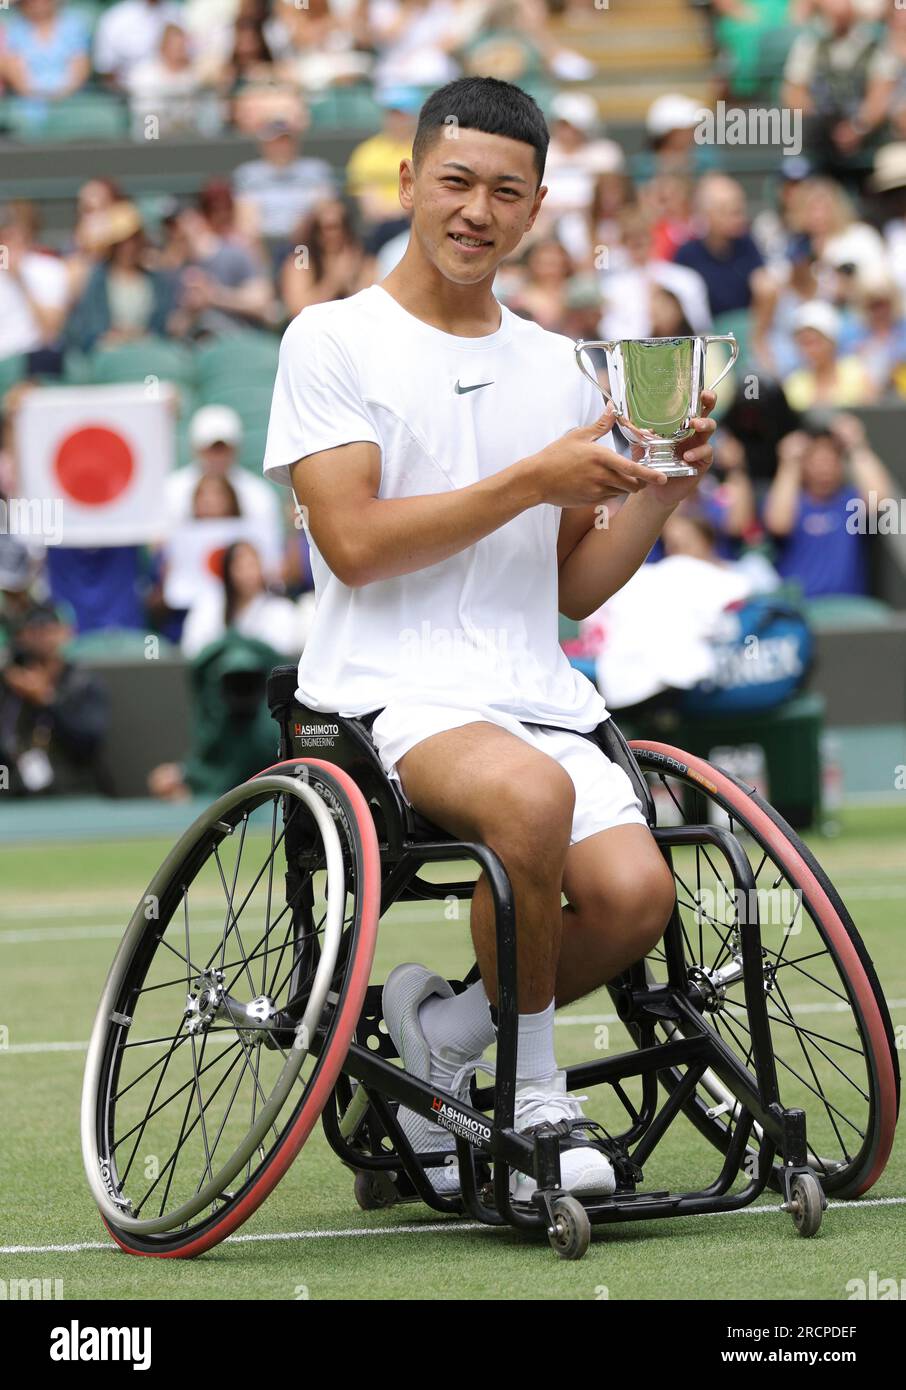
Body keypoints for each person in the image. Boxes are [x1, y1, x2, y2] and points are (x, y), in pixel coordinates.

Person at [262, 75, 717, 1202]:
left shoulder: (564, 364)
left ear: (536, 206)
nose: (477, 210)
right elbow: (356, 544)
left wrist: (657, 491)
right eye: (455, 181)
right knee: (529, 803)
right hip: (390, 688)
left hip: (535, 688)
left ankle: (443, 1029)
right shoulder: (331, 339)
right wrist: (530, 479)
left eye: (505, 191)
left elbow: (571, 588)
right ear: (410, 181)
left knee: (632, 898)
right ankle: (534, 1102)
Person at [763, 414, 894, 598]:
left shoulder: (849, 502)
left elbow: (881, 500)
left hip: (849, 606)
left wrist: (856, 446)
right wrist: (789, 463)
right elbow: (778, 523)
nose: (824, 468)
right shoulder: (792, 501)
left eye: (830, 460)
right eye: (816, 460)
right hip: (801, 606)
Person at [0, 600, 110, 795]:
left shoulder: (83, 681)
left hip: (73, 787)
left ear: (67, 633)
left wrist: (46, 698)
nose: (41, 635)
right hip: (16, 789)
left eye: (49, 629)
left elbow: (88, 741)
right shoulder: (10, 682)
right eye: (33, 629)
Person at [165, 404, 283, 571]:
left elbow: (271, 556)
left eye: (223, 449)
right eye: (211, 449)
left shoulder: (259, 494)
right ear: (196, 449)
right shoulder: (171, 491)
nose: (217, 456)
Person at [180, 538, 313, 658]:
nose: (247, 574)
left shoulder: (280, 608)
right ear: (228, 571)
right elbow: (192, 647)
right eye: (239, 567)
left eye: (252, 565)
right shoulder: (209, 605)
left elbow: (282, 649)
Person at [673, 174, 765, 318]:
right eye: (729, 212)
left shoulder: (747, 244)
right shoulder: (687, 254)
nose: (738, 219)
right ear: (707, 214)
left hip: (744, 324)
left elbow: (763, 285)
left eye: (739, 211)